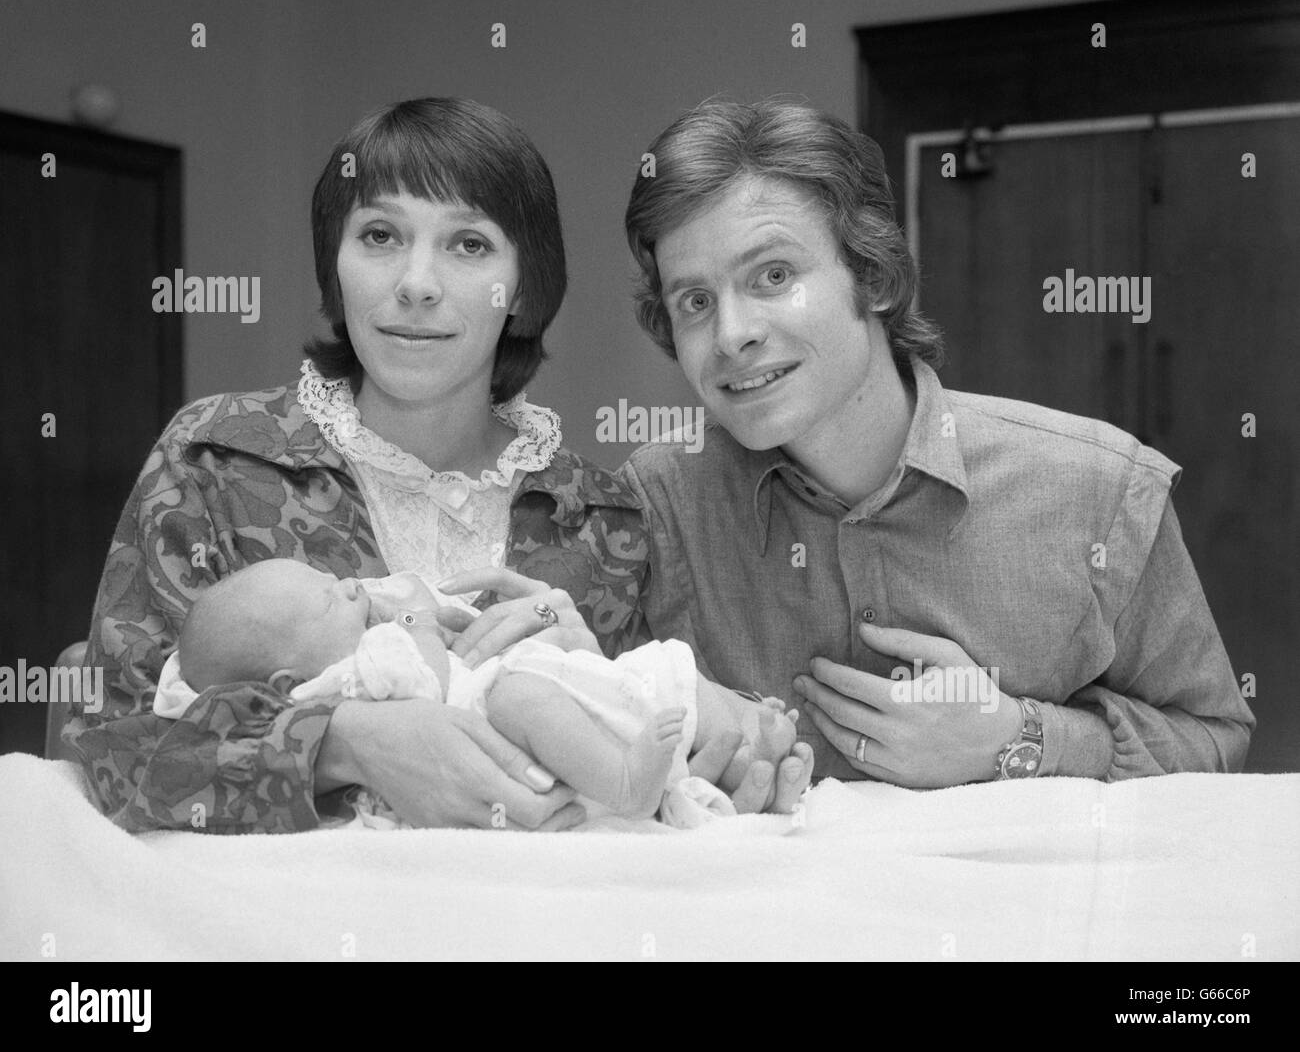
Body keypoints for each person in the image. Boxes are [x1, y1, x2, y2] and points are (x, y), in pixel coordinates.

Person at [66, 97, 793, 834]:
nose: (416, 283)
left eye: (469, 245)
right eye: (380, 235)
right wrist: (344, 745)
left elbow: (650, 767)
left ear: (525, 286)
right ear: (335, 264)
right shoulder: (217, 460)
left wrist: (734, 746)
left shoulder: (601, 520)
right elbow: (108, 749)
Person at [621, 97, 1255, 788]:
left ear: (873, 276)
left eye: (773, 276)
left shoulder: (1100, 492)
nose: (731, 332)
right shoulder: (656, 504)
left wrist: (1023, 739)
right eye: (695, 301)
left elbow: (1218, 743)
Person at [160, 558, 800, 827]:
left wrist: (573, 647)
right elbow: (137, 741)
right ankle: (636, 780)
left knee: (642, 682)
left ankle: (732, 757)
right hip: (505, 734)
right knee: (520, 695)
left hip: (555, 747)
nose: (354, 587)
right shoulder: (362, 662)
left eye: (335, 577)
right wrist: (412, 616)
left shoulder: (610, 507)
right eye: (329, 596)